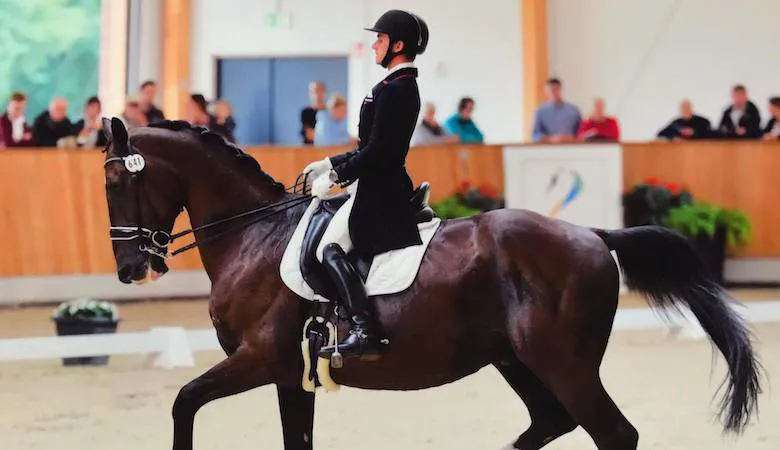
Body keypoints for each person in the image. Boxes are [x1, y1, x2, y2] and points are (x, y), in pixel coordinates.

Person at [302, 9, 429, 361]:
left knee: (330, 248)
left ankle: (363, 330)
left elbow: (380, 153)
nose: (374, 45)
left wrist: (339, 177)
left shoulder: (398, 89)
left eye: (381, 39)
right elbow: (367, 147)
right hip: (374, 182)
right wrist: (330, 163)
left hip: (381, 191)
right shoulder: (391, 85)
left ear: (398, 45)